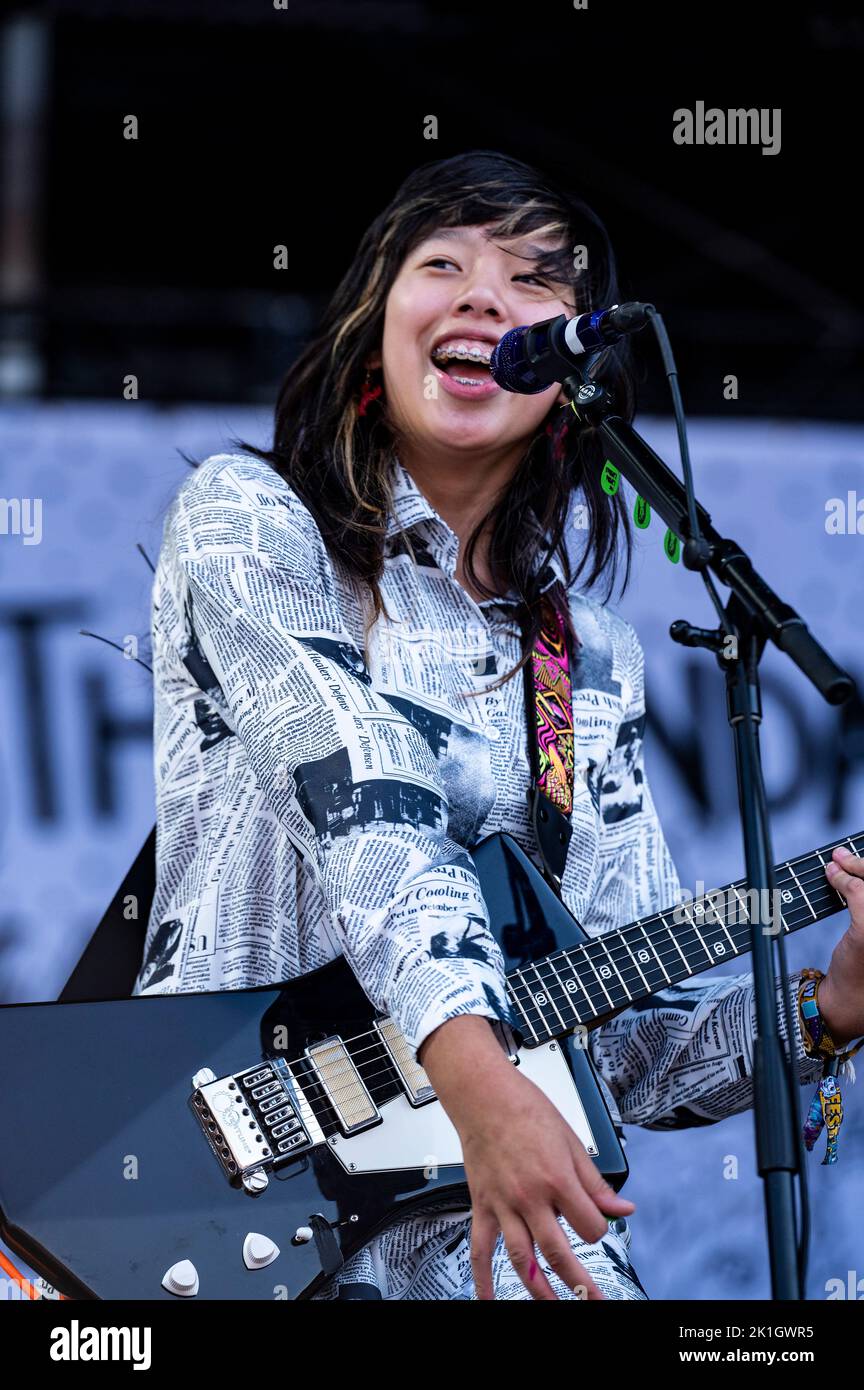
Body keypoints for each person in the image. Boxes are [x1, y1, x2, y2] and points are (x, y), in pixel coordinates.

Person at [132, 150, 864, 1300]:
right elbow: (365, 802)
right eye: (443, 263)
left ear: (580, 362)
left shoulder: (594, 663)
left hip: (500, 1257)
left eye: (535, 281)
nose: (485, 298)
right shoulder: (249, 519)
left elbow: (626, 1046)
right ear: (375, 322)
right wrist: (477, 1080)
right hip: (210, 1194)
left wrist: (828, 1007)